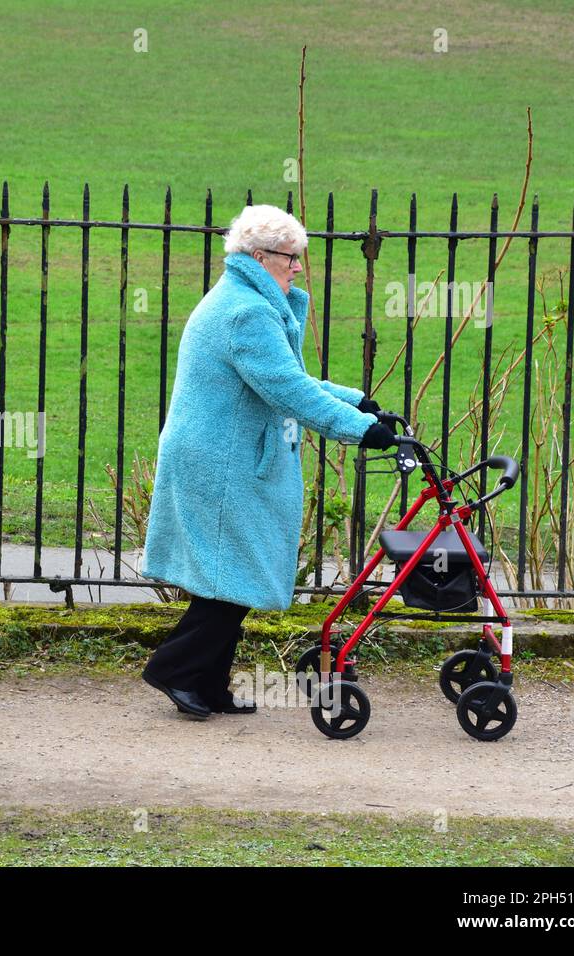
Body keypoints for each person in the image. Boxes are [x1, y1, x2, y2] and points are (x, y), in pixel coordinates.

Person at [139, 204, 397, 719]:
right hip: (220, 462)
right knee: (229, 578)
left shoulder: (246, 300)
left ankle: (205, 683)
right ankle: (174, 670)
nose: (298, 266)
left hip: (222, 456)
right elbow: (287, 390)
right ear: (259, 258)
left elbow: (291, 379)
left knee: (229, 578)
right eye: (290, 257)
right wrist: (360, 429)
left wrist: (355, 400)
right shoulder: (248, 312)